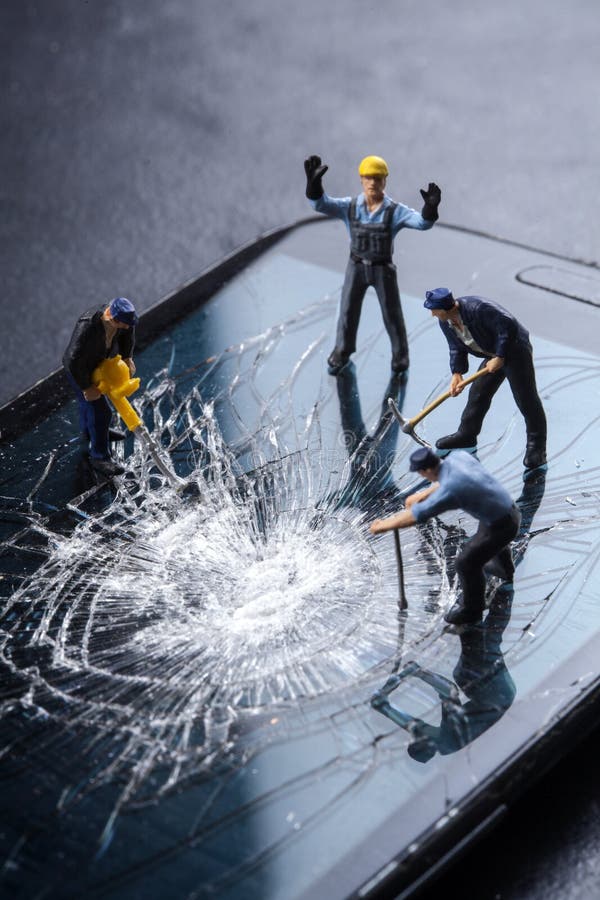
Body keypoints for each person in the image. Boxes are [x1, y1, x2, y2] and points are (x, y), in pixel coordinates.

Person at [304, 154, 441, 374]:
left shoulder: (395, 211)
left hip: (382, 269)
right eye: (368, 178)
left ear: (384, 181)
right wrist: (314, 184)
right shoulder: (349, 207)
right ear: (361, 180)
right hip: (356, 266)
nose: (372, 183)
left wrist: (430, 208)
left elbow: (422, 223)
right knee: (348, 310)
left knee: (392, 313)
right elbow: (321, 204)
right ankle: (342, 350)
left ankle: (400, 354)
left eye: (377, 178)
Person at [370, 446, 520, 625]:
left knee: (466, 563)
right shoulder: (458, 456)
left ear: (426, 470)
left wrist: (384, 525)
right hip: (505, 511)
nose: (421, 476)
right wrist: (423, 495)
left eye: (420, 473)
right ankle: (504, 570)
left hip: (500, 525)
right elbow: (449, 480)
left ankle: (472, 611)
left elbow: (417, 515)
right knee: (488, 543)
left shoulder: (452, 490)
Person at [423, 287, 547, 470]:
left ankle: (537, 448)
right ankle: (466, 435)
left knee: (526, 399)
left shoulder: (478, 308)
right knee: (478, 394)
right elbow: (456, 347)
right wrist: (457, 373)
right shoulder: (446, 322)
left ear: (445, 308)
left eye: (434, 310)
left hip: (515, 350)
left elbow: (508, 324)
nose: (432, 314)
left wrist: (500, 356)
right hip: (493, 355)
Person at [63, 297, 138, 476]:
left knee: (88, 407)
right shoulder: (88, 326)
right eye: (125, 324)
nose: (128, 327)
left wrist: (127, 357)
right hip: (80, 371)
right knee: (101, 411)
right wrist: (87, 387)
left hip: (99, 364)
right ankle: (100, 458)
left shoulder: (124, 321)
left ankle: (91, 432)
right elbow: (72, 360)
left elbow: (128, 335)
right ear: (112, 318)